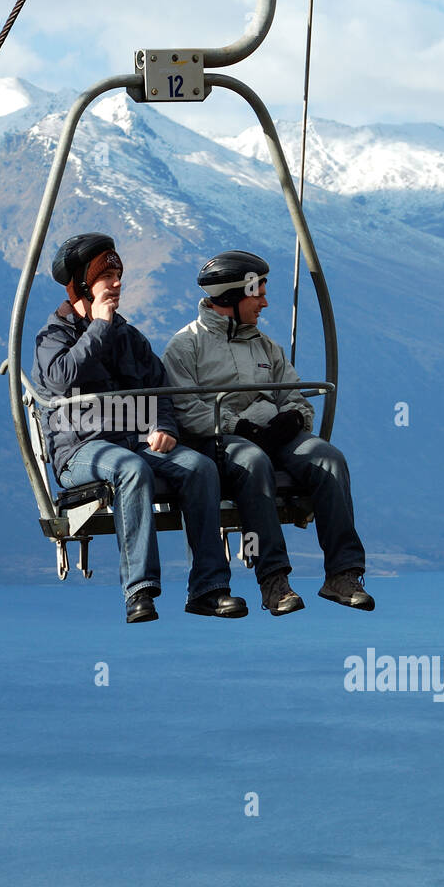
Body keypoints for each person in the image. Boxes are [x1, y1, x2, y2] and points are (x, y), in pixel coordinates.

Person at [33, 233, 248, 624]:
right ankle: (140, 592)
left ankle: (209, 588)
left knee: (200, 468)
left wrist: (164, 426)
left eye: (118, 275)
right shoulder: (53, 337)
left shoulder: (130, 338)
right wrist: (98, 327)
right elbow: (62, 378)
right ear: (82, 284)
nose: (117, 283)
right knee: (131, 470)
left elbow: (159, 389)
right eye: (106, 276)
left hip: (133, 442)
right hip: (81, 450)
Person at [162, 251, 374, 615]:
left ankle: (342, 574)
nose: (264, 302)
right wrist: (237, 426)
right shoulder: (186, 346)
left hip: (274, 436)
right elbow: (186, 410)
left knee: (329, 460)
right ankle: (273, 580)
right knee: (253, 461)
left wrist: (290, 421)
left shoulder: (264, 345)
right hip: (221, 442)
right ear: (231, 298)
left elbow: (295, 398)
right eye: (257, 293)